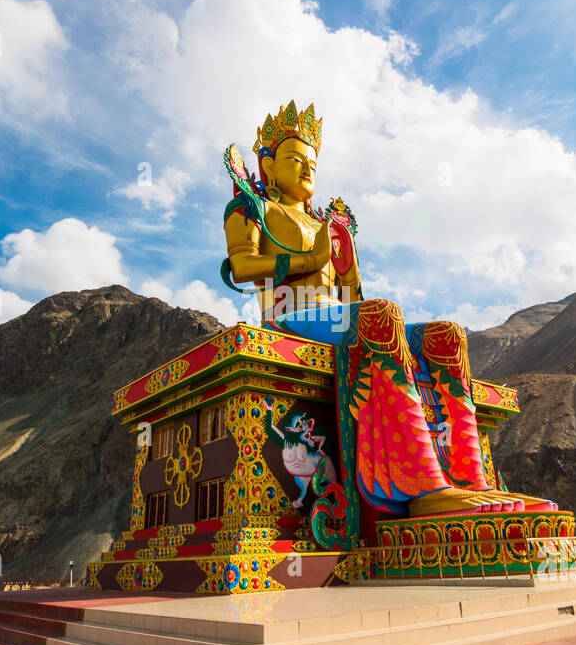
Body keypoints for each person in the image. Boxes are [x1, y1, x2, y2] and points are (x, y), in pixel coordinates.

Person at [223, 101, 531, 520]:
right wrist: (309, 261)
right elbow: (242, 267)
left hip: (337, 315)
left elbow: (352, 294)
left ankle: (468, 477)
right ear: (267, 165)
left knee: (447, 335)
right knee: (380, 315)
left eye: (311, 162)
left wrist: (341, 253)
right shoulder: (253, 208)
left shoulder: (328, 225)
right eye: (294, 160)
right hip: (290, 313)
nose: (307, 169)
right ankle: (420, 484)